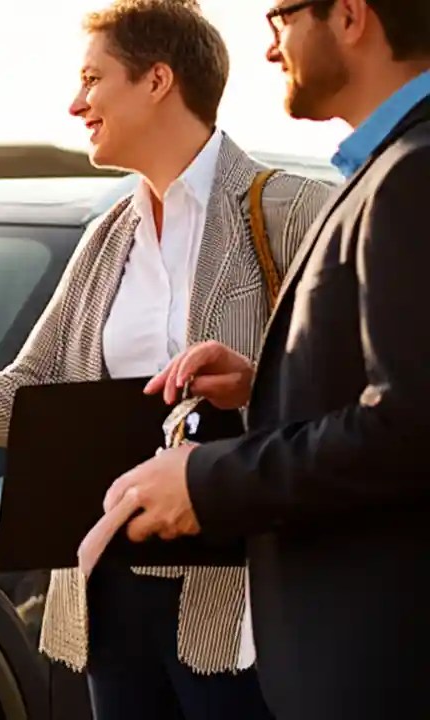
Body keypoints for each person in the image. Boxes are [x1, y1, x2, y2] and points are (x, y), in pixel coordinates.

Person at [0, 1, 331, 717]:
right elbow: (35, 395)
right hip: (109, 592)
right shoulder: (110, 235)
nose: (76, 102)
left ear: (157, 81)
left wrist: (252, 386)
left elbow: (366, 397)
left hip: (241, 600)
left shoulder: (298, 213)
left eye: (93, 78)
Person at [106, 1, 430, 718]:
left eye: (280, 17)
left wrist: (205, 480)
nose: (269, 51)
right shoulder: (388, 169)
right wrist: (263, 390)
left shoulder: (413, 173)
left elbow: (411, 428)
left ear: (349, 16)